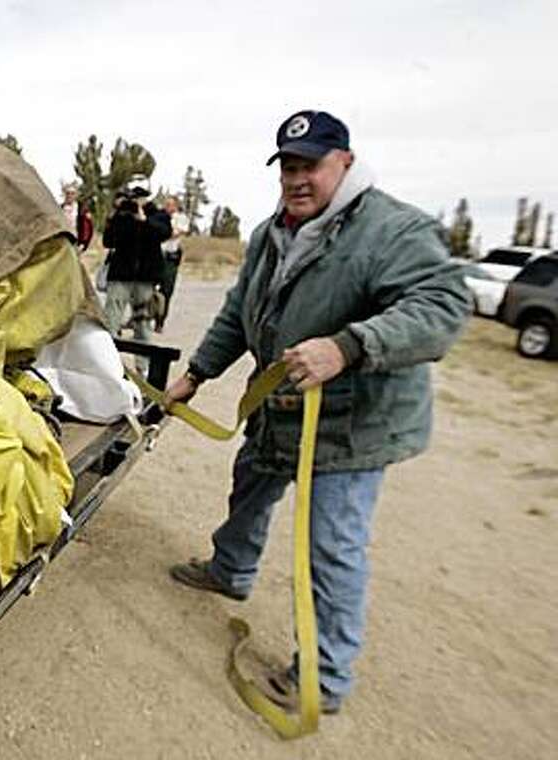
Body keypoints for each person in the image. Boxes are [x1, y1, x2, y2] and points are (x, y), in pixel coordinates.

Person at [164, 110, 471, 713]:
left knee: (331, 545)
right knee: (249, 487)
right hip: (281, 407)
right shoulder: (271, 231)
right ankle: (231, 570)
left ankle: (323, 679)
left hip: (354, 426)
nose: (297, 178)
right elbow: (237, 313)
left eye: (312, 165)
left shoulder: (394, 230)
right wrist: (196, 373)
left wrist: (348, 347)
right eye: (289, 166)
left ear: (346, 163)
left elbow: (441, 309)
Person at [102, 178, 171, 358]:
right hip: (121, 274)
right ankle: (109, 364)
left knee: (142, 324)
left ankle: (143, 368)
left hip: (145, 277)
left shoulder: (158, 215)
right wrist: (113, 217)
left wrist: (143, 219)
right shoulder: (122, 214)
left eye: (139, 196)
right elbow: (108, 241)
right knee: (111, 320)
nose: (135, 200)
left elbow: (164, 233)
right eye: (132, 196)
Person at [157, 195, 190, 330]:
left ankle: (160, 320)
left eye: (171, 204)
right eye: (166, 204)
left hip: (170, 257)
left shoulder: (181, 219)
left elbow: (179, 232)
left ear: (176, 206)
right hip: (157, 255)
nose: (168, 207)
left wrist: (164, 233)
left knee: (167, 290)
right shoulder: (159, 216)